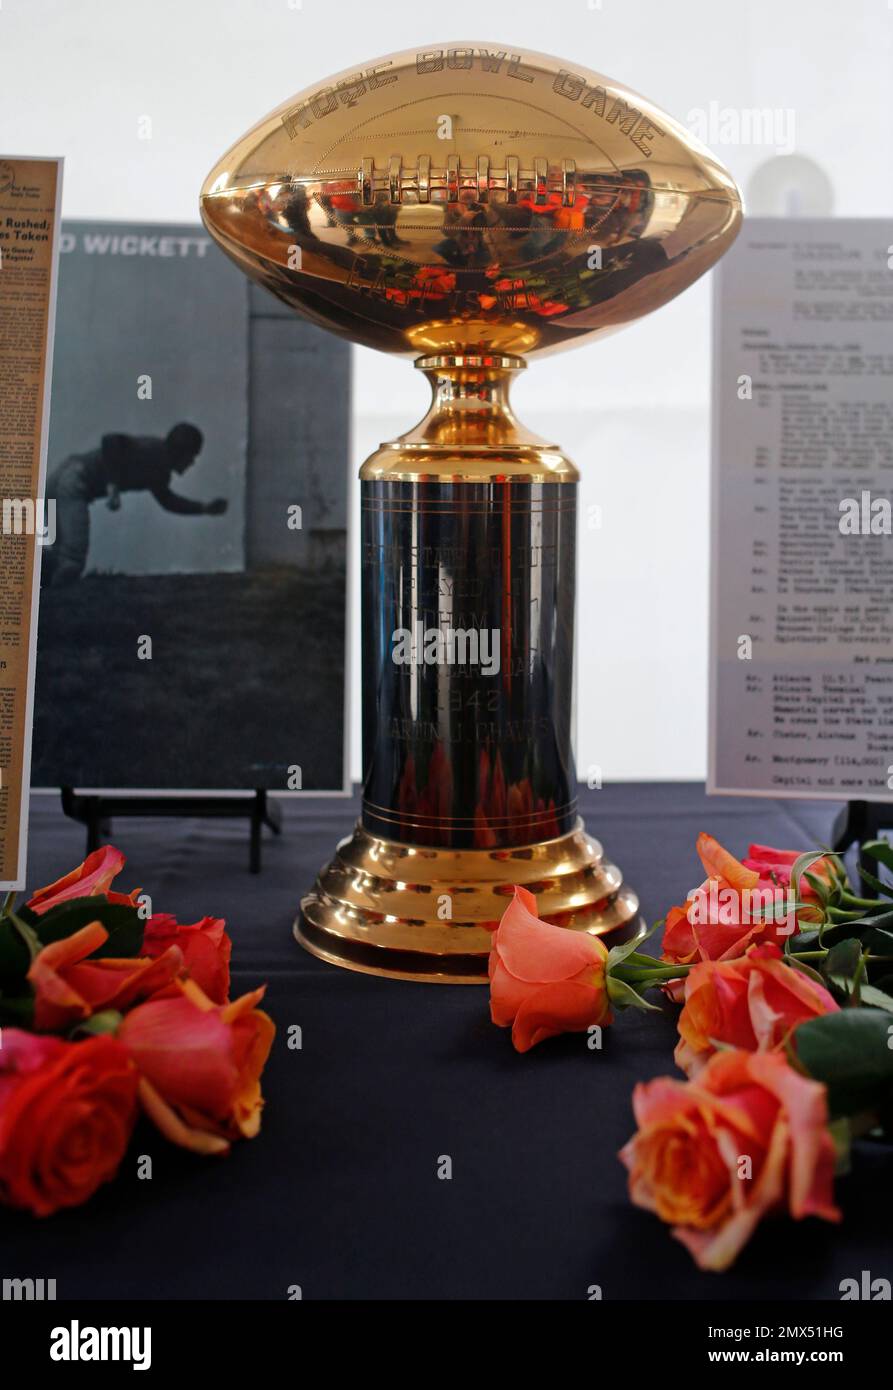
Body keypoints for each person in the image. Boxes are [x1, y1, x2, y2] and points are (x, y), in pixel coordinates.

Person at [43, 423, 227, 585]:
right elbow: (111, 441)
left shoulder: (160, 469)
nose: (192, 462)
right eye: (192, 456)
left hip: (64, 479)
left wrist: (203, 508)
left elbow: (168, 501)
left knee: (60, 561)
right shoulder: (153, 451)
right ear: (182, 451)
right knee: (71, 563)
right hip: (72, 482)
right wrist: (113, 486)